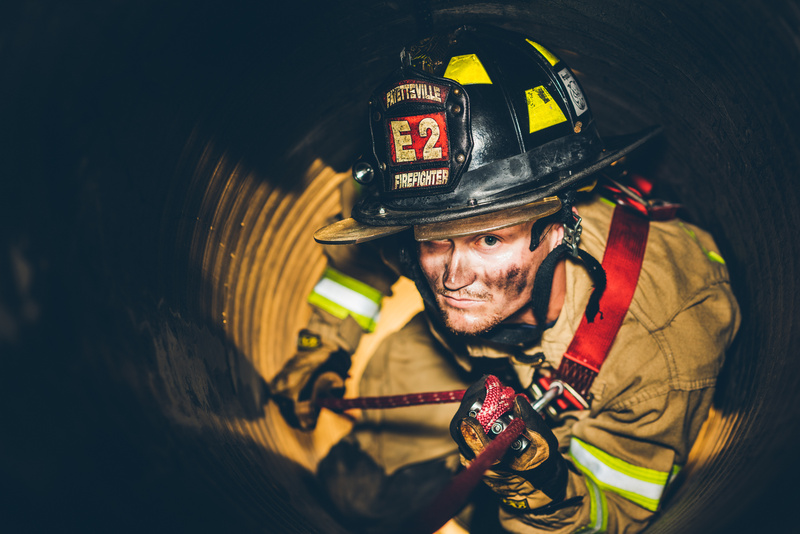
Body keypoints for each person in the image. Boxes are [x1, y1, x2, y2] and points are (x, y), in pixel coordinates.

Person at [270, 24, 740, 533]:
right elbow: (355, 265)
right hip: (453, 357)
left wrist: (542, 485)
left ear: (559, 226)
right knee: (363, 500)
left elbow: (615, 511)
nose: (453, 277)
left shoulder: (658, 348)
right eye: (434, 240)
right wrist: (326, 343)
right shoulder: (401, 219)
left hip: (584, 407)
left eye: (488, 240)